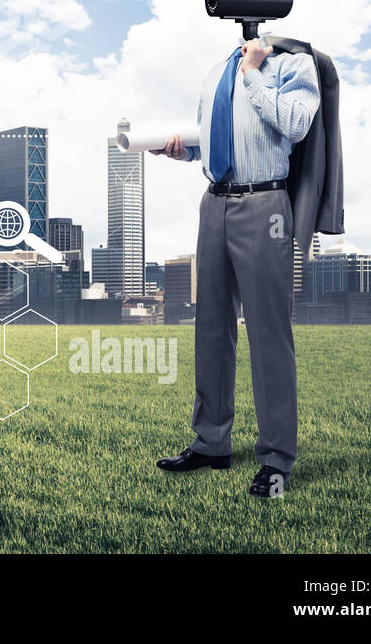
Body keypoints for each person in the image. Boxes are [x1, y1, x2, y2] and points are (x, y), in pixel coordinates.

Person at [151, 36, 320, 498]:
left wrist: (253, 72)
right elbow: (214, 141)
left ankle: (276, 461)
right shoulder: (214, 73)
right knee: (211, 327)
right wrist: (182, 150)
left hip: (265, 203)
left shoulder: (293, 65)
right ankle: (211, 442)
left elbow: (297, 123)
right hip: (214, 205)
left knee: (267, 333)